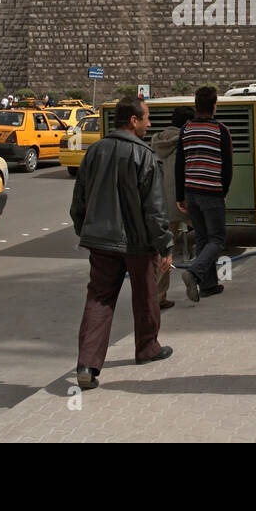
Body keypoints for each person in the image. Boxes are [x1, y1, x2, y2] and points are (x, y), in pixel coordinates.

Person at [71, 96, 174, 389]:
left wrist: (86, 230)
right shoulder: (146, 156)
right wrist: (164, 245)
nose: (149, 124)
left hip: (100, 241)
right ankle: (147, 348)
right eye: (147, 118)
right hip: (137, 243)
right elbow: (155, 209)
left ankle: (88, 365)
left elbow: (79, 200)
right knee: (146, 294)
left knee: (99, 298)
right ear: (133, 120)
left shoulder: (95, 152)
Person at [176, 87, 234, 302]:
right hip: (212, 192)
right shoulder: (221, 130)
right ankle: (193, 273)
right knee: (217, 239)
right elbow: (227, 166)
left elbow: (180, 165)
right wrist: (224, 190)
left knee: (202, 238)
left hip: (191, 192)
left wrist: (180, 195)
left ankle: (209, 285)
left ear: (196, 105)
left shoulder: (186, 129)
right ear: (214, 106)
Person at [151, 106, 195, 310]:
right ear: (187, 123)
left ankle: (158, 297)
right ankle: (201, 277)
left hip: (159, 204)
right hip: (182, 201)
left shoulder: (156, 142)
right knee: (211, 237)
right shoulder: (186, 142)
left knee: (164, 251)